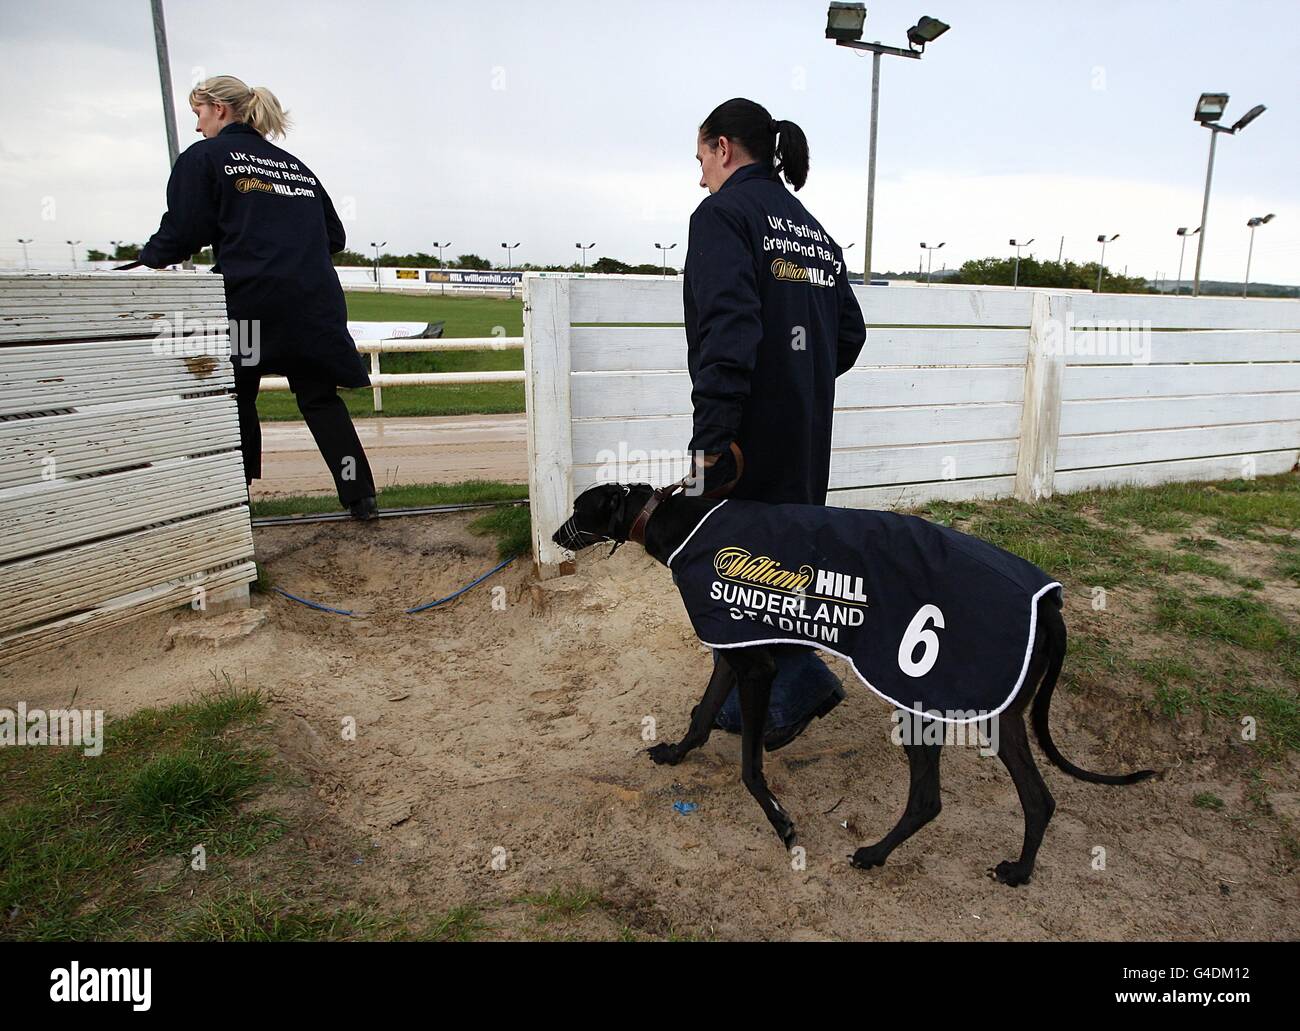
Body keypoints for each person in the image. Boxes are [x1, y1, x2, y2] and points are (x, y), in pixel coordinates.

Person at [684, 97, 867, 751]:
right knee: (780, 565)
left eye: (701, 156)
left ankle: (794, 685)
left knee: (730, 566)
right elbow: (850, 331)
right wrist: (802, 385)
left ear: (723, 147)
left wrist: (713, 441)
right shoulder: (812, 229)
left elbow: (726, 331)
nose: (699, 172)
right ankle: (751, 700)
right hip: (804, 434)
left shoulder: (722, 216)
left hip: (743, 438)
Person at [139, 75, 378, 519]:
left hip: (250, 304)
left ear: (219, 109)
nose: (197, 126)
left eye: (199, 114)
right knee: (320, 398)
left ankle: (239, 499)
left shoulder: (205, 157)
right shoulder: (294, 166)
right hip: (311, 303)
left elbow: (184, 231)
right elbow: (335, 235)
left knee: (239, 395)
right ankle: (361, 499)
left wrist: (147, 260)